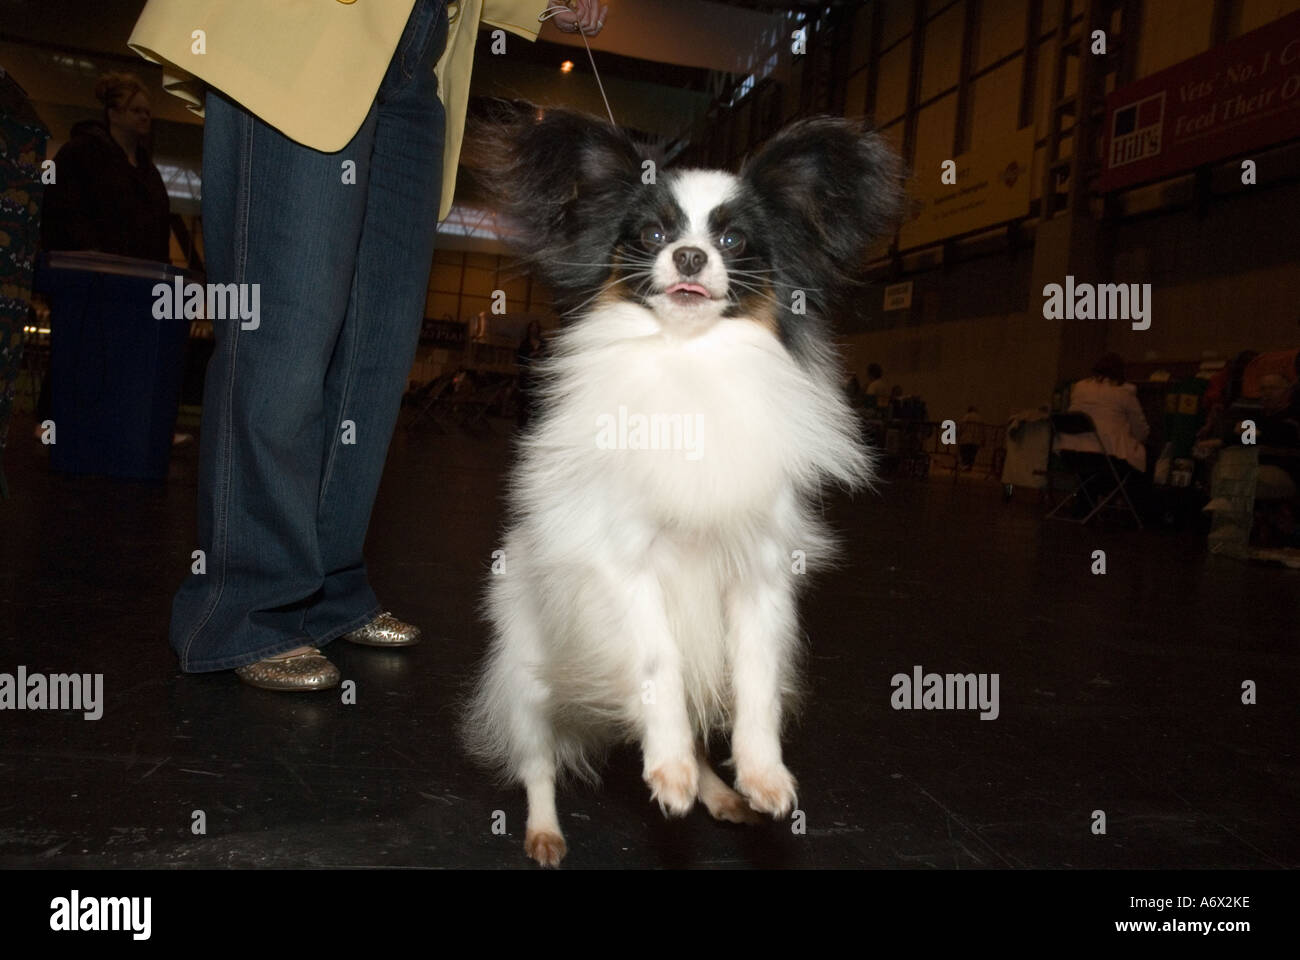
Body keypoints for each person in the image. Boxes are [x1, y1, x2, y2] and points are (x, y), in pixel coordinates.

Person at [126, 0, 608, 691]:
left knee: (373, 356)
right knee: (283, 336)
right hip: (308, 28)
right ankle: (245, 606)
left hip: (416, 65)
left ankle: (325, 589)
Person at [40, 72, 171, 262]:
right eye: (136, 111)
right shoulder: (79, 152)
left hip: (136, 273)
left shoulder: (149, 173)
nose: (144, 117)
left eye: (147, 112)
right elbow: (55, 204)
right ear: (113, 114)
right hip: (86, 270)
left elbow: (159, 227)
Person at [1055, 353, 1151, 520]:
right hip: (1106, 458)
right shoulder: (1123, 393)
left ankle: (1085, 506)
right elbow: (1140, 430)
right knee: (1139, 460)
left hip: (1071, 454)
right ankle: (1136, 513)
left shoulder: (1078, 389)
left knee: (1092, 466)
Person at [515, 319, 547, 429]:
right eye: (532, 327)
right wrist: (530, 357)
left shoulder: (543, 344)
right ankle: (522, 425)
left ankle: (535, 426)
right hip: (527, 375)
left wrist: (540, 356)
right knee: (524, 400)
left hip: (538, 376)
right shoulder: (524, 343)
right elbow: (519, 359)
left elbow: (547, 357)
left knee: (536, 401)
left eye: (535, 327)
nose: (533, 330)